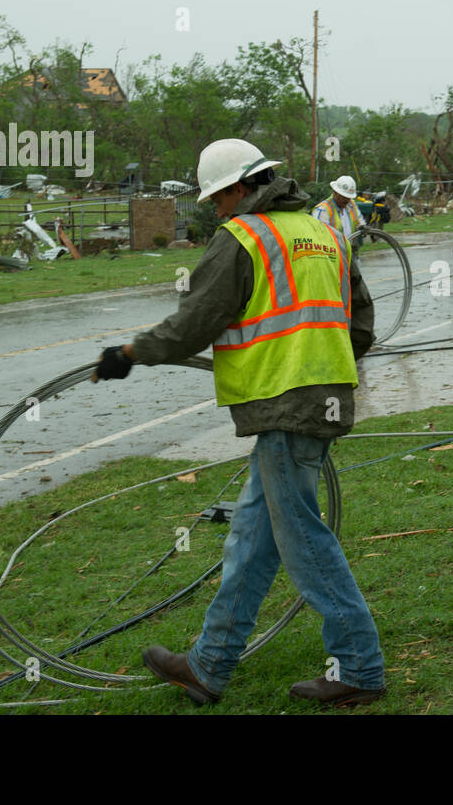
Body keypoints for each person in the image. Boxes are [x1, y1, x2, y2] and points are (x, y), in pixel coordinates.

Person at [92, 138, 385, 708]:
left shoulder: (243, 238)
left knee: (302, 538)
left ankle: (360, 666)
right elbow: (361, 323)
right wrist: (325, 365)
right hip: (321, 398)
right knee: (252, 538)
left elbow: (192, 324)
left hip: (283, 403)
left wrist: (129, 354)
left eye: (217, 199)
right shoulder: (323, 232)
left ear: (236, 188)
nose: (217, 211)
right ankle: (209, 664)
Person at [312, 174, 364, 248]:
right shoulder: (323, 209)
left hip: (349, 252)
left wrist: (362, 227)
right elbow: (318, 237)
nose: (347, 200)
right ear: (335, 192)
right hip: (332, 255)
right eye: (344, 196)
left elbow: (360, 222)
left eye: (349, 197)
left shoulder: (351, 205)